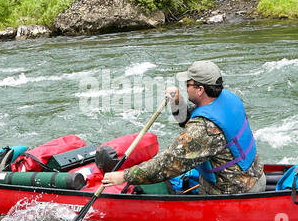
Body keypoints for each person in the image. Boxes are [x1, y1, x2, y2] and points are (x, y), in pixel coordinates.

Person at [103, 60, 265, 195]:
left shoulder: (204, 129)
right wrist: (177, 102)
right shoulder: (228, 98)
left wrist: (125, 176)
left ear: (200, 89)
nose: (185, 87)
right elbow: (190, 118)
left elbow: (168, 164)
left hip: (234, 193)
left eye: (188, 84)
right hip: (256, 177)